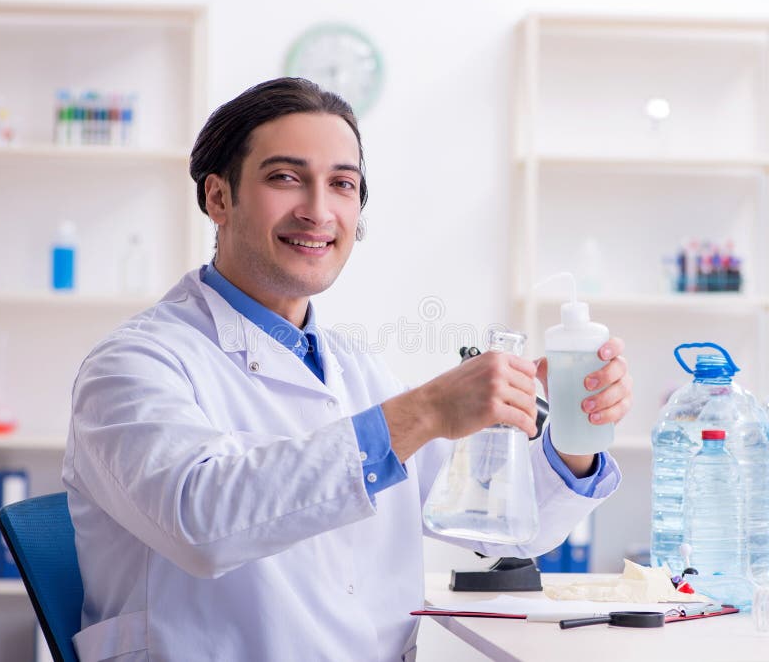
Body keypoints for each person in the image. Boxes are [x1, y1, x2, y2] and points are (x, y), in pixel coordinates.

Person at [63, 78, 631, 662]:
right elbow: (200, 520)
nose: (317, 210)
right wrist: (428, 411)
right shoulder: (133, 363)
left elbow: (502, 525)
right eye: (285, 177)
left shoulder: (354, 369)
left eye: (342, 184)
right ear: (218, 198)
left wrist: (575, 435)